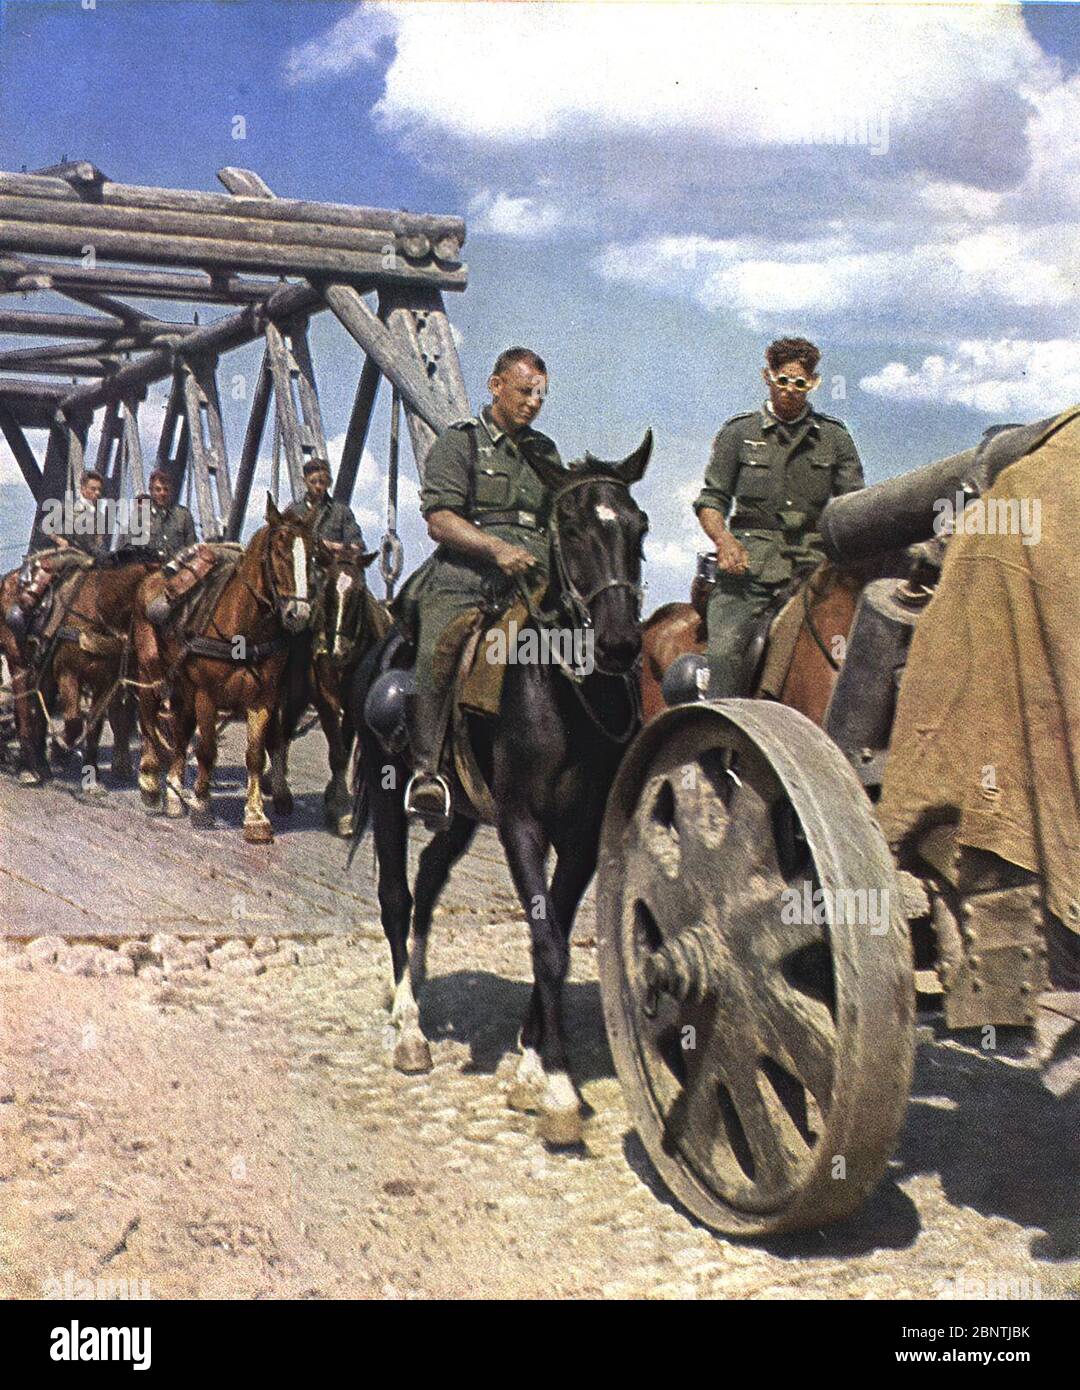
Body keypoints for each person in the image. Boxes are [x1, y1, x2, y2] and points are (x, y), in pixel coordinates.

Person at [405, 346, 565, 822]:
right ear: (496, 386)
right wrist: (496, 550)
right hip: (465, 579)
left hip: (533, 580)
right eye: (524, 391)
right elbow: (440, 519)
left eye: (540, 394)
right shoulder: (461, 444)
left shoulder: (546, 451)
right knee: (439, 647)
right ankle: (426, 771)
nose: (533, 402)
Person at [694, 336, 865, 697]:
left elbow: (853, 505)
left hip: (815, 566)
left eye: (800, 383)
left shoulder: (834, 438)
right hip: (749, 569)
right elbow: (712, 500)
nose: (789, 391)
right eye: (782, 380)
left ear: (813, 384)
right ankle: (716, 742)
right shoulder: (738, 434)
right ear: (767, 377)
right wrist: (725, 542)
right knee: (725, 655)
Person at [283, 458, 366, 548]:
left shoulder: (341, 512)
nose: (318, 486)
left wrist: (332, 546)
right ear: (304, 481)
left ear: (328, 483)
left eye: (322, 482)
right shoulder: (293, 512)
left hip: (331, 561)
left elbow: (358, 547)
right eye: (313, 482)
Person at [117, 469, 197, 558]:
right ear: (151, 491)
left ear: (171, 491)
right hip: (149, 568)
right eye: (158, 489)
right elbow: (129, 548)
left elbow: (192, 548)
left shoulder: (183, 516)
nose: (162, 493)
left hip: (178, 568)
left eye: (166, 489)